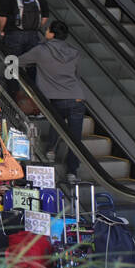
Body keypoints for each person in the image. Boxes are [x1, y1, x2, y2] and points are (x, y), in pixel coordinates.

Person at [17, 21, 87, 182]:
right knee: (75, 140)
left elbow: (19, 61)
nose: (46, 31)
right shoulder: (74, 52)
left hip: (57, 98)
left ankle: (50, 150)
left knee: (57, 120)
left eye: (48, 29)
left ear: (51, 34)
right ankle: (72, 173)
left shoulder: (41, 51)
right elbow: (77, 75)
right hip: (77, 98)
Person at [0, 0, 48, 95]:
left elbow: (2, 16)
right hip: (33, 36)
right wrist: (32, 26)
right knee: (32, 69)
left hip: (13, 35)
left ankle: (13, 100)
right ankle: (36, 102)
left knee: (12, 68)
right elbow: (44, 17)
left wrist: (1, 30)